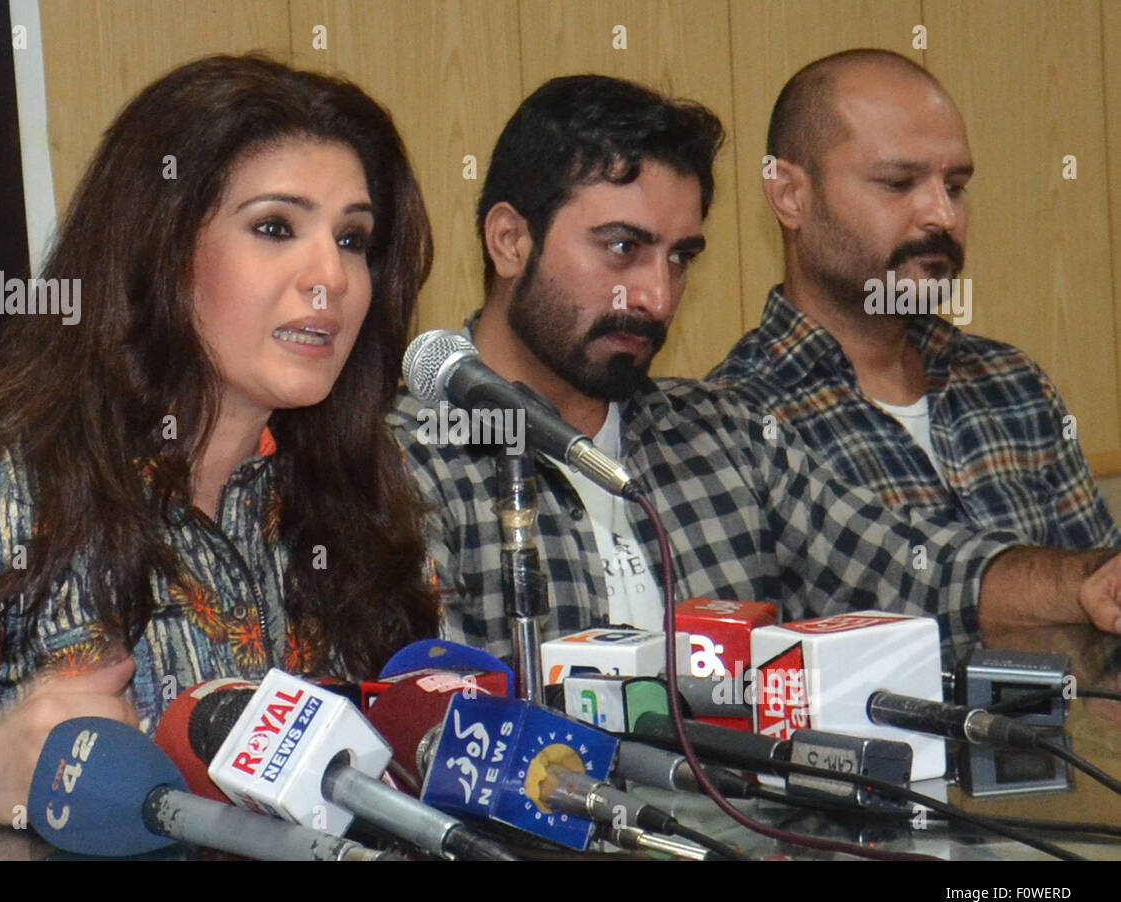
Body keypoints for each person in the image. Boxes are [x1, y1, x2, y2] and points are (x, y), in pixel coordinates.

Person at [0, 53, 439, 843]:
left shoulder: (370, 489)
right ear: (159, 248)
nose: (331, 278)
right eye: (276, 227)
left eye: (353, 238)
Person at [388, 73, 1121, 664]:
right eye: (621, 248)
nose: (654, 295)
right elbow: (424, 724)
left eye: (680, 258)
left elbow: (919, 574)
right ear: (510, 240)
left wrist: (1089, 584)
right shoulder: (406, 454)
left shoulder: (721, 432)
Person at [707, 49, 1119, 550]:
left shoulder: (1013, 385)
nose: (943, 215)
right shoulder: (735, 422)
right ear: (791, 195)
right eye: (898, 184)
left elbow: (1100, 596)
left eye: (956, 186)